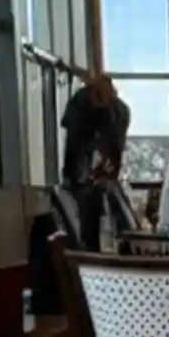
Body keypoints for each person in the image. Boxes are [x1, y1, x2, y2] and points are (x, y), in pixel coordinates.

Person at [61, 73, 131, 251]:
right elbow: (73, 144)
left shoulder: (118, 112)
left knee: (112, 206)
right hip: (83, 165)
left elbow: (114, 149)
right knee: (87, 206)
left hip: (102, 158)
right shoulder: (79, 106)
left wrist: (110, 175)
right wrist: (71, 175)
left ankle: (119, 246)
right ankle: (87, 251)